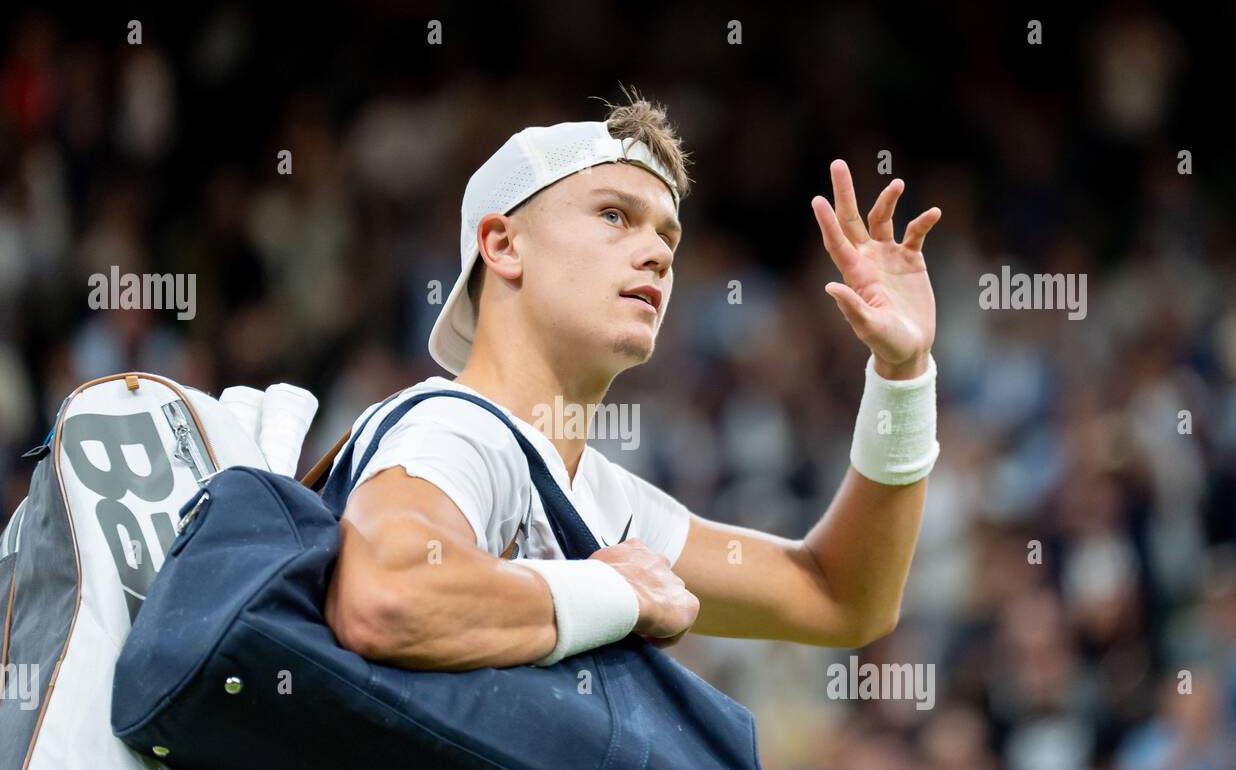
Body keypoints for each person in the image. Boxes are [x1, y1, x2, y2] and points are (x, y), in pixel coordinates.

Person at [323, 88, 943, 671]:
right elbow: (386, 599)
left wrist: (903, 375)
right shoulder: (455, 428)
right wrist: (613, 590)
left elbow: (840, 599)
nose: (659, 253)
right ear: (504, 245)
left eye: (668, 235)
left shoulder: (604, 497)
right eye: (615, 215)